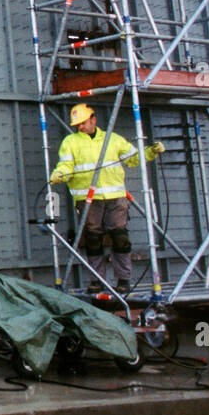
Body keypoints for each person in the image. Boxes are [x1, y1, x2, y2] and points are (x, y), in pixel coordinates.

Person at [48, 104, 166, 294]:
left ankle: (123, 279)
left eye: (83, 123)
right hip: (87, 199)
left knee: (120, 238)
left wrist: (151, 151)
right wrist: (59, 174)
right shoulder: (70, 142)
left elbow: (133, 158)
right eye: (77, 124)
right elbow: (66, 165)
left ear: (93, 119)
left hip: (115, 197)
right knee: (93, 239)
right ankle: (96, 280)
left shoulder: (113, 139)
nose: (80, 127)